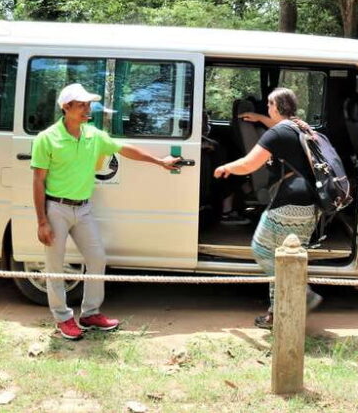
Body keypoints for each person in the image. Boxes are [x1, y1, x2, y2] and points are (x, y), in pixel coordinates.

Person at [31, 83, 179, 340]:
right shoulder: (47, 138)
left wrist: (159, 162)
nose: (88, 109)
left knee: (97, 258)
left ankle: (89, 314)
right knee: (55, 266)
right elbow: (38, 181)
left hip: (84, 207)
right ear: (66, 108)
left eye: (89, 104)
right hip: (56, 208)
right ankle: (63, 319)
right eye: (82, 105)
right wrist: (42, 220)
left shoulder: (93, 135)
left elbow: (124, 149)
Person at [214, 87, 322, 329]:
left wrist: (226, 168)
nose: (267, 109)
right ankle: (278, 316)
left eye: (269, 106)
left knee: (263, 251)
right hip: (310, 203)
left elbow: (249, 164)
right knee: (289, 256)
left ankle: (303, 293)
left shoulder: (277, 134)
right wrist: (260, 119)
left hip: (289, 203)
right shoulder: (299, 126)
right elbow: (277, 127)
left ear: (275, 107)